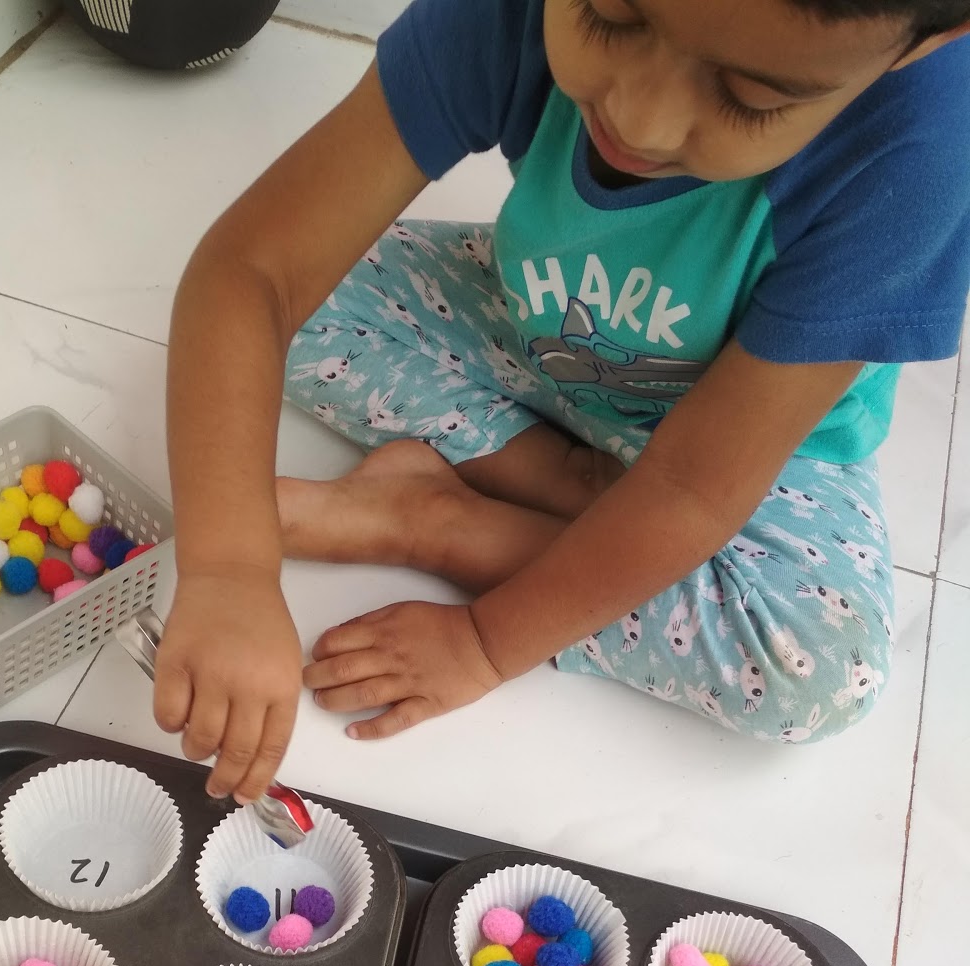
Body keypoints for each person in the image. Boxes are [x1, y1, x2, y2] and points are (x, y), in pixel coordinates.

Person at [155, 0, 970, 800]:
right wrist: (228, 571)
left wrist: (485, 642)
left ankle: (434, 517)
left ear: (925, 43)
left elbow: (693, 489)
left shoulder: (924, 148)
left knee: (816, 667)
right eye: (610, 16)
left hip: (758, 442)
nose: (641, 121)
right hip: (547, 328)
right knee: (297, 313)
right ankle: (576, 486)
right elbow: (257, 271)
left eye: (751, 97)